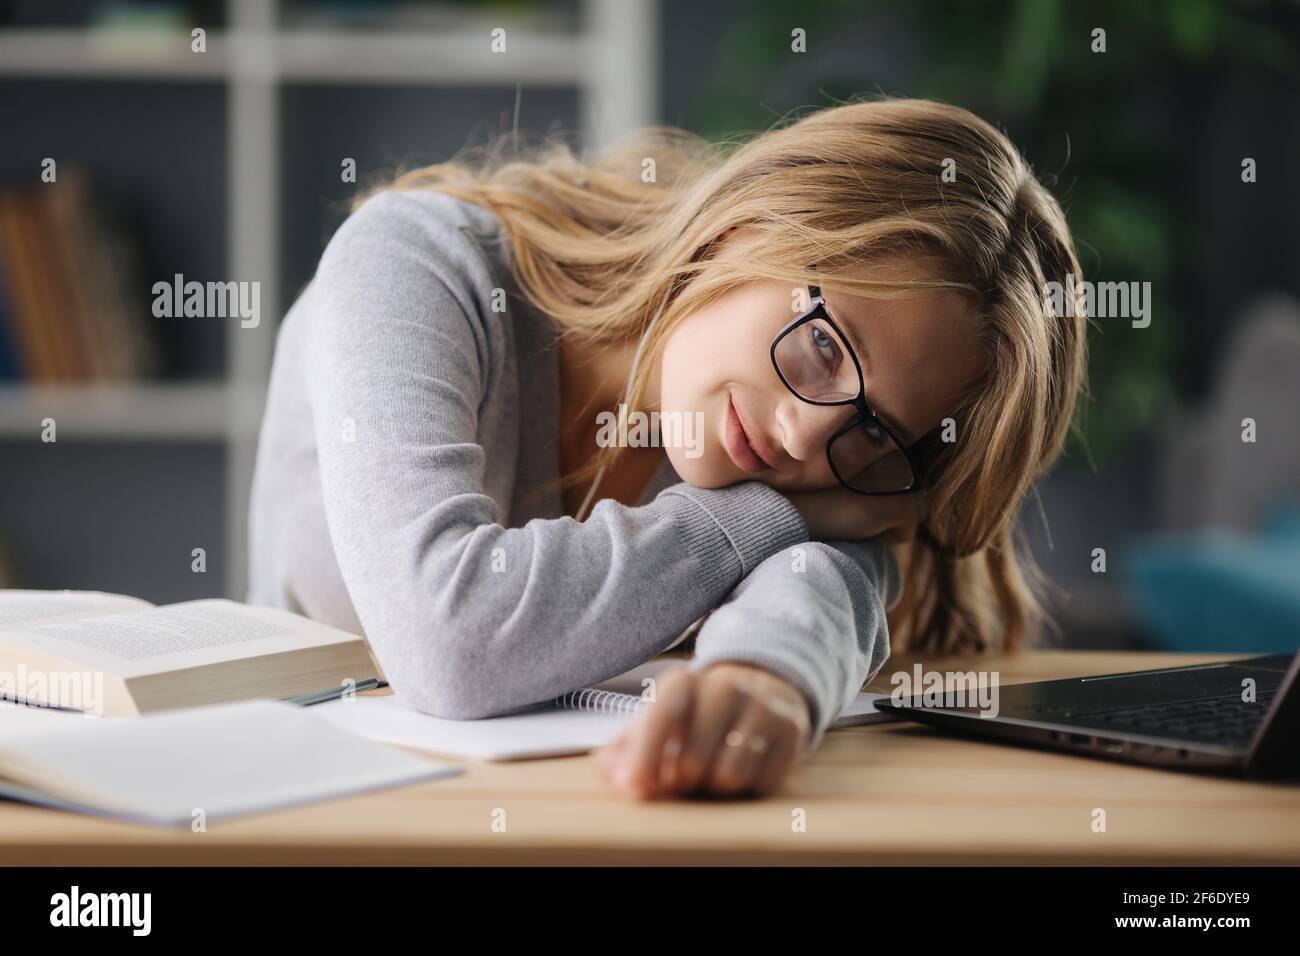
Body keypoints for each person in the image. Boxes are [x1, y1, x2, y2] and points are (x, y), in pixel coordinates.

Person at [247, 97, 1087, 800]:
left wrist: (768, 676)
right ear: (749, 224)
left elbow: (835, 570)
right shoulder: (416, 260)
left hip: (573, 820)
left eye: (871, 433)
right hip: (305, 811)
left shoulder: (801, 462)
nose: (804, 436)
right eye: (826, 349)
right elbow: (448, 639)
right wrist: (770, 514)